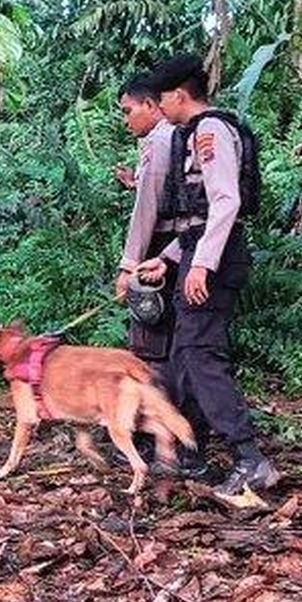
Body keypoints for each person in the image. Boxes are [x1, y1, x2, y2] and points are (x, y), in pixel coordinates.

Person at [135, 54, 278, 495]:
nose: (159, 109)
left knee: (199, 355)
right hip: (200, 253)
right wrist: (173, 258)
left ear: (179, 95)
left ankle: (249, 457)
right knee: (183, 355)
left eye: (161, 101)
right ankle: (189, 451)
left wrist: (201, 265)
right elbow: (200, 218)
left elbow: (225, 203)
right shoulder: (193, 133)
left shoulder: (210, 131)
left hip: (214, 260)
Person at [114, 74, 178, 376]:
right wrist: (135, 182)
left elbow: (148, 208)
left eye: (128, 111)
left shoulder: (160, 139)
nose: (127, 121)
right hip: (182, 243)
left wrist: (128, 266)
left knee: (151, 330)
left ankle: (152, 409)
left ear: (151, 105)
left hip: (163, 244)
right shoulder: (178, 134)